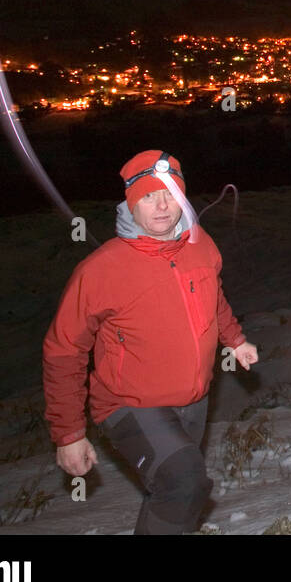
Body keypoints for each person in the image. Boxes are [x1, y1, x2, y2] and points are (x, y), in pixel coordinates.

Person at [43, 150, 258, 534]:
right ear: (129, 202)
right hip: (128, 404)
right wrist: (68, 432)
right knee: (184, 483)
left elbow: (214, 296)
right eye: (148, 196)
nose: (162, 205)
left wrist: (235, 339)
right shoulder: (101, 270)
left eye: (171, 194)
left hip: (194, 399)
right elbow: (64, 351)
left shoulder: (200, 245)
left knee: (176, 489)